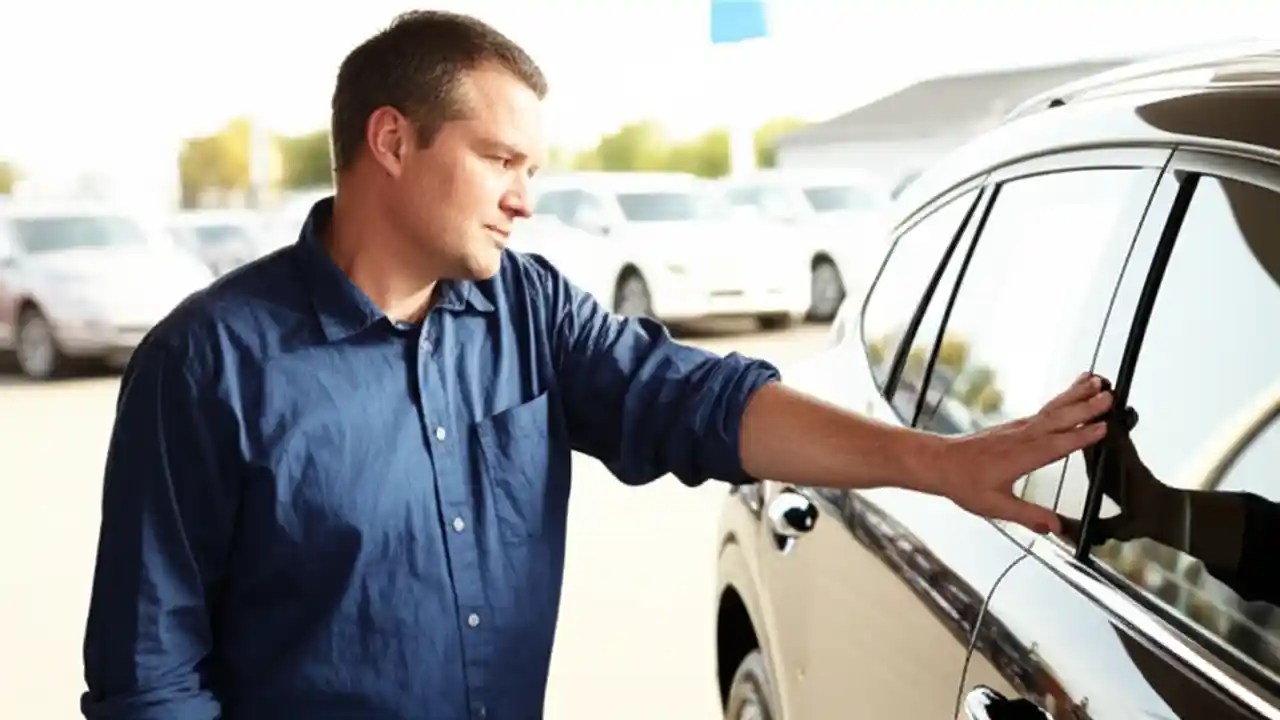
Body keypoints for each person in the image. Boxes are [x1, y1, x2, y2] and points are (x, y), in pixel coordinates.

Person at [79, 11, 1112, 720]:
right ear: (391, 140)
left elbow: (698, 404)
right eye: (500, 161)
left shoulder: (523, 309)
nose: (525, 198)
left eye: (533, 169)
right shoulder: (207, 365)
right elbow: (147, 677)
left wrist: (933, 462)